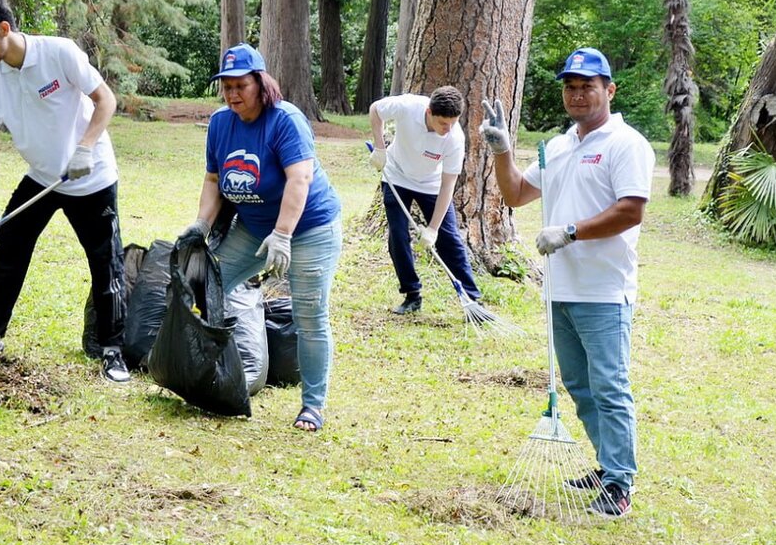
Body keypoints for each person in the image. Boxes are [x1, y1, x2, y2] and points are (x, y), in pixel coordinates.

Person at [480, 47, 654, 518]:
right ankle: (606, 463)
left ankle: (620, 483)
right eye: (571, 87)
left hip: (602, 289)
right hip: (560, 288)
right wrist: (502, 150)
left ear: (609, 91)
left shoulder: (626, 143)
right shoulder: (558, 146)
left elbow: (631, 208)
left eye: (588, 86)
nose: (578, 95)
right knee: (579, 383)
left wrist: (570, 231)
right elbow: (516, 193)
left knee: (609, 385)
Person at [0, 0, 131, 383]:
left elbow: (105, 100)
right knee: (7, 246)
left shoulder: (58, 53)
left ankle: (114, 351)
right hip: (42, 177)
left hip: (90, 175)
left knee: (105, 262)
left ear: (4, 29)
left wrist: (85, 149)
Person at [180, 43, 342, 431]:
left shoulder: (285, 120)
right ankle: (200, 369)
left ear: (260, 83)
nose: (234, 94)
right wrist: (202, 226)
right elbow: (214, 180)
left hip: (309, 229)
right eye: (227, 87)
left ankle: (313, 405)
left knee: (309, 316)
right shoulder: (221, 123)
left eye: (241, 86)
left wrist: (283, 235)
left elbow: (299, 178)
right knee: (206, 285)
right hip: (252, 228)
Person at [368, 86, 485, 315]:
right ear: (429, 112)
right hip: (396, 175)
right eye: (443, 123)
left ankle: (472, 300)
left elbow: (447, 185)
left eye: (453, 123)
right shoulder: (408, 106)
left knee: (448, 239)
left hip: (431, 185)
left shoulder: (455, 139)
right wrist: (380, 149)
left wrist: (432, 229)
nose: (448, 129)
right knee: (398, 236)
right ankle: (412, 295)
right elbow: (375, 110)